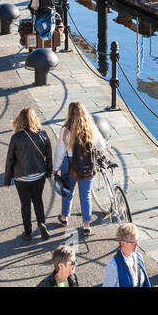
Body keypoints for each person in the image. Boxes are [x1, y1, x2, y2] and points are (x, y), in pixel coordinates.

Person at [52, 101, 106, 237]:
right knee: (86, 195)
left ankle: (64, 217)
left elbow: (60, 151)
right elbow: (101, 144)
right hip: (87, 165)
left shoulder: (66, 130)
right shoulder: (90, 127)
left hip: (69, 164)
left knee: (68, 191)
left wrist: (55, 168)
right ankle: (86, 224)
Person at [3, 106, 52, 240]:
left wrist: (7, 180)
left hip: (22, 177)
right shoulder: (42, 134)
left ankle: (27, 232)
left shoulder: (16, 138)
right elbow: (48, 154)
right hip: (39, 175)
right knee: (38, 200)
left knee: (25, 203)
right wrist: (48, 172)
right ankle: (41, 223)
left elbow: (10, 160)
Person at [102, 223, 151, 287]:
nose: (137, 244)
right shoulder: (113, 266)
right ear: (122, 243)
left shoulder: (139, 257)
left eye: (137, 240)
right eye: (133, 242)